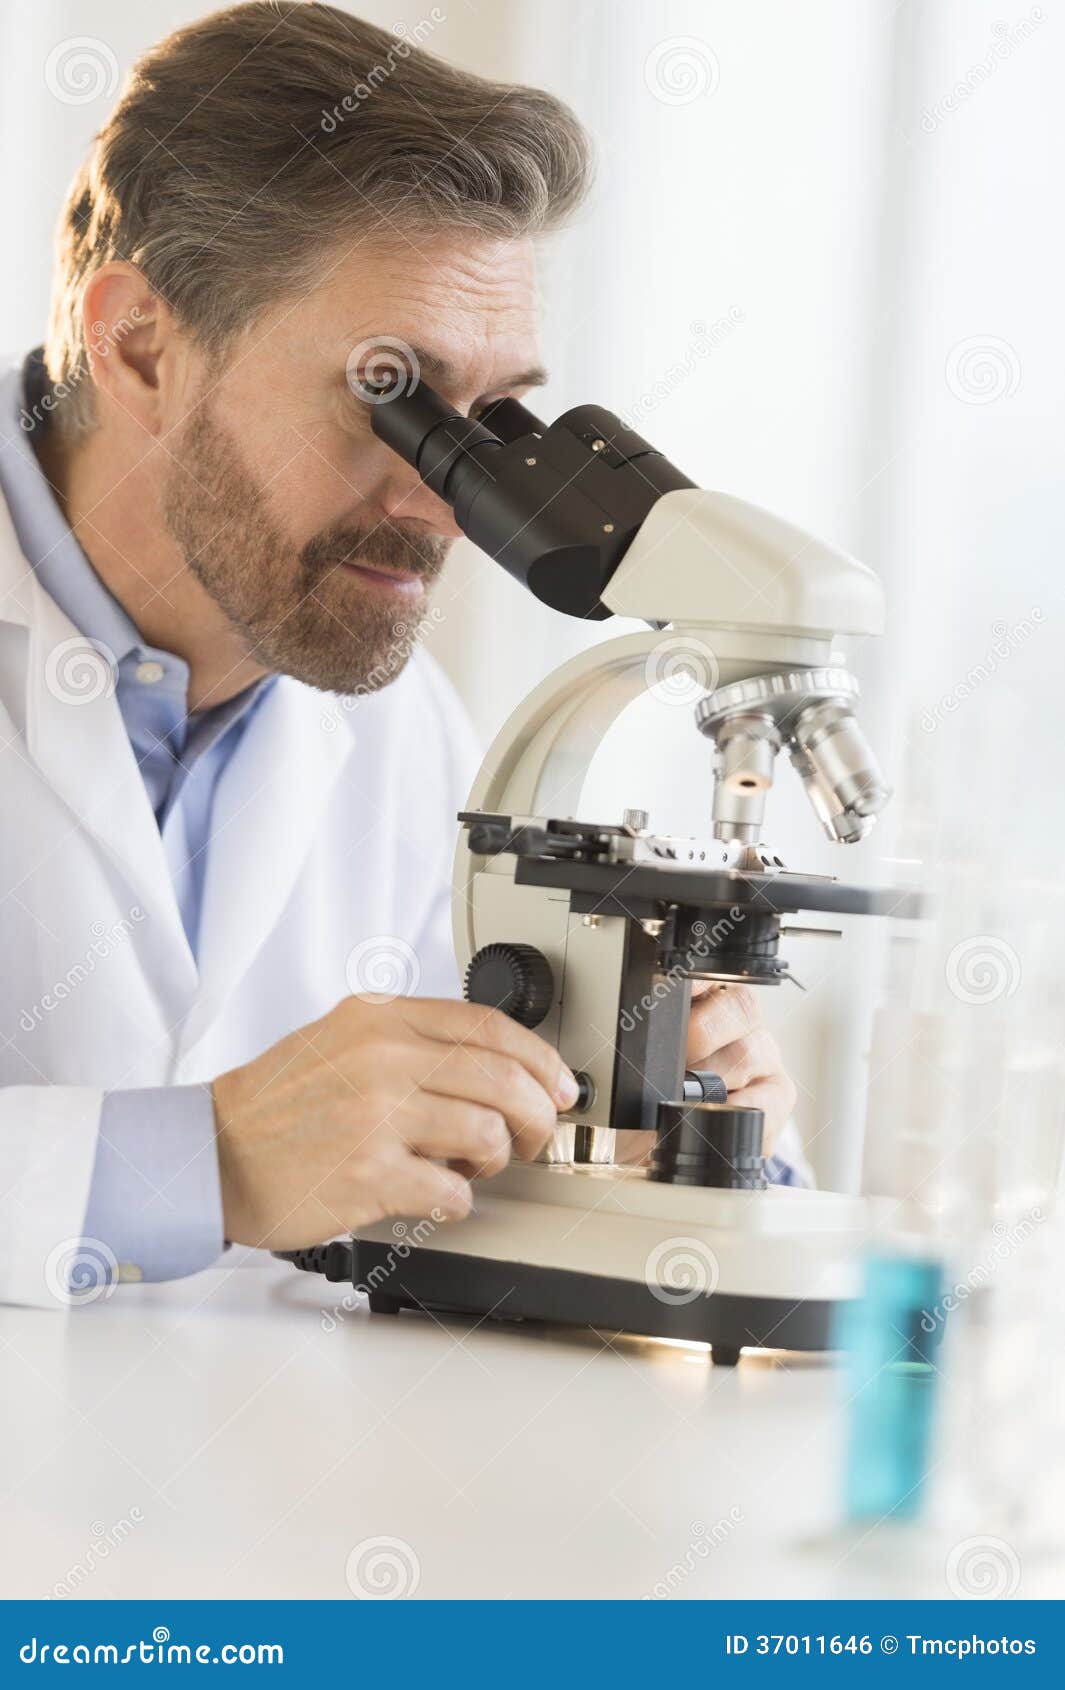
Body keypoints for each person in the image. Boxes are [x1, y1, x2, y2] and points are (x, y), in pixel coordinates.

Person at [0, 2, 799, 1308]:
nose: (444, 504)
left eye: (485, 423)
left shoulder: (399, 724)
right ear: (140, 345)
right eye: (392, 395)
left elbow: (427, 1213)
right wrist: (208, 1160)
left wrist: (649, 1139)